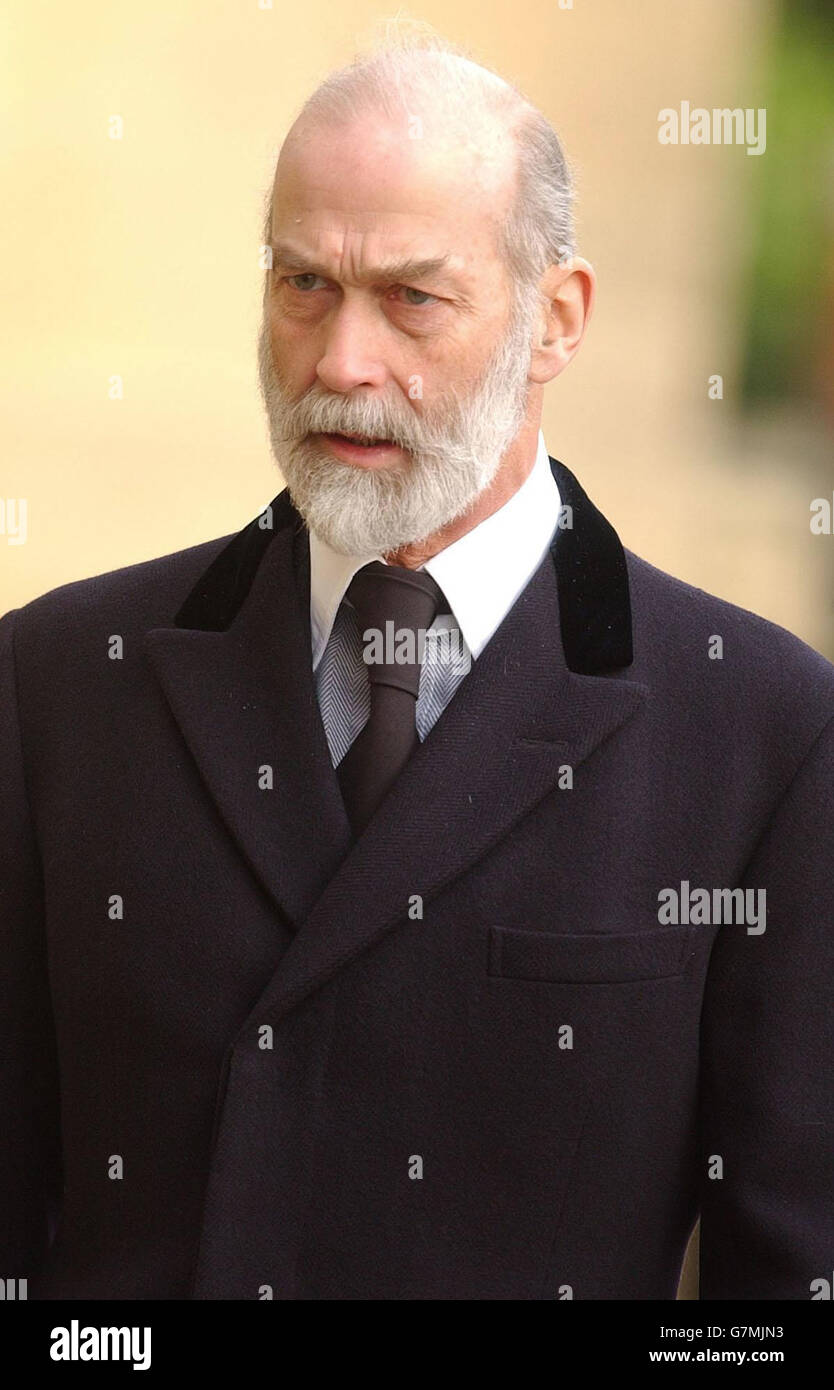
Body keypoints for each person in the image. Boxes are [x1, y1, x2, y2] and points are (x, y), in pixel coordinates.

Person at [2, 32, 833, 1302]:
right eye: (302, 285)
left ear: (556, 320)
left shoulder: (766, 732)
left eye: (412, 298)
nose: (340, 363)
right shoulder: (54, 684)